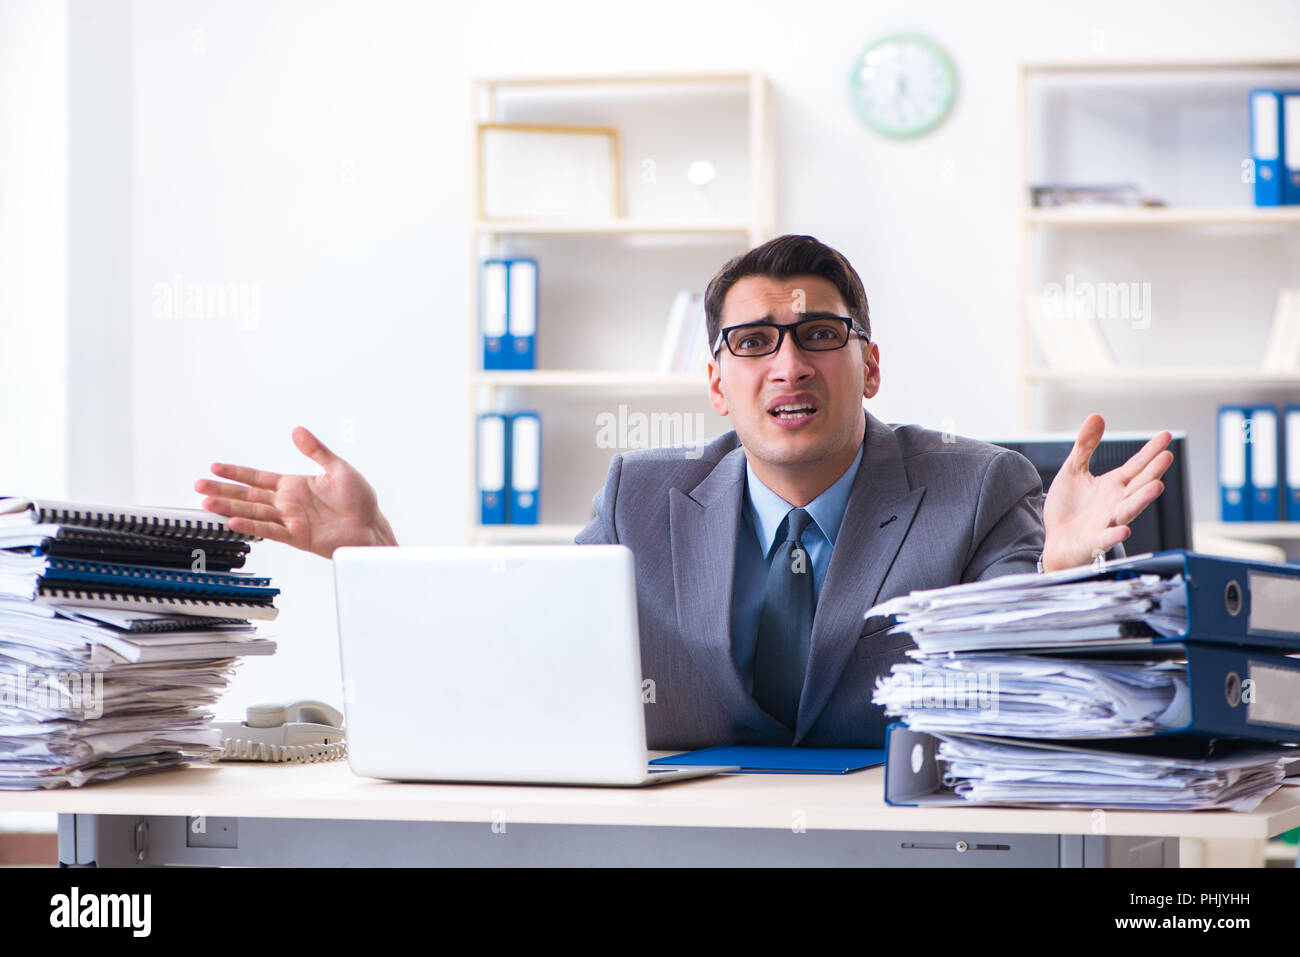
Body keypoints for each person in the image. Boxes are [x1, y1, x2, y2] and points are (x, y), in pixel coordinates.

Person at [196, 234, 1172, 749]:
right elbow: (529, 652)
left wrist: (1053, 567)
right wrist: (376, 560)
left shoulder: (976, 484)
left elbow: (1019, 651)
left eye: (818, 335)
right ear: (717, 382)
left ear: (868, 366)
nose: (787, 364)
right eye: (753, 342)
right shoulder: (642, 496)